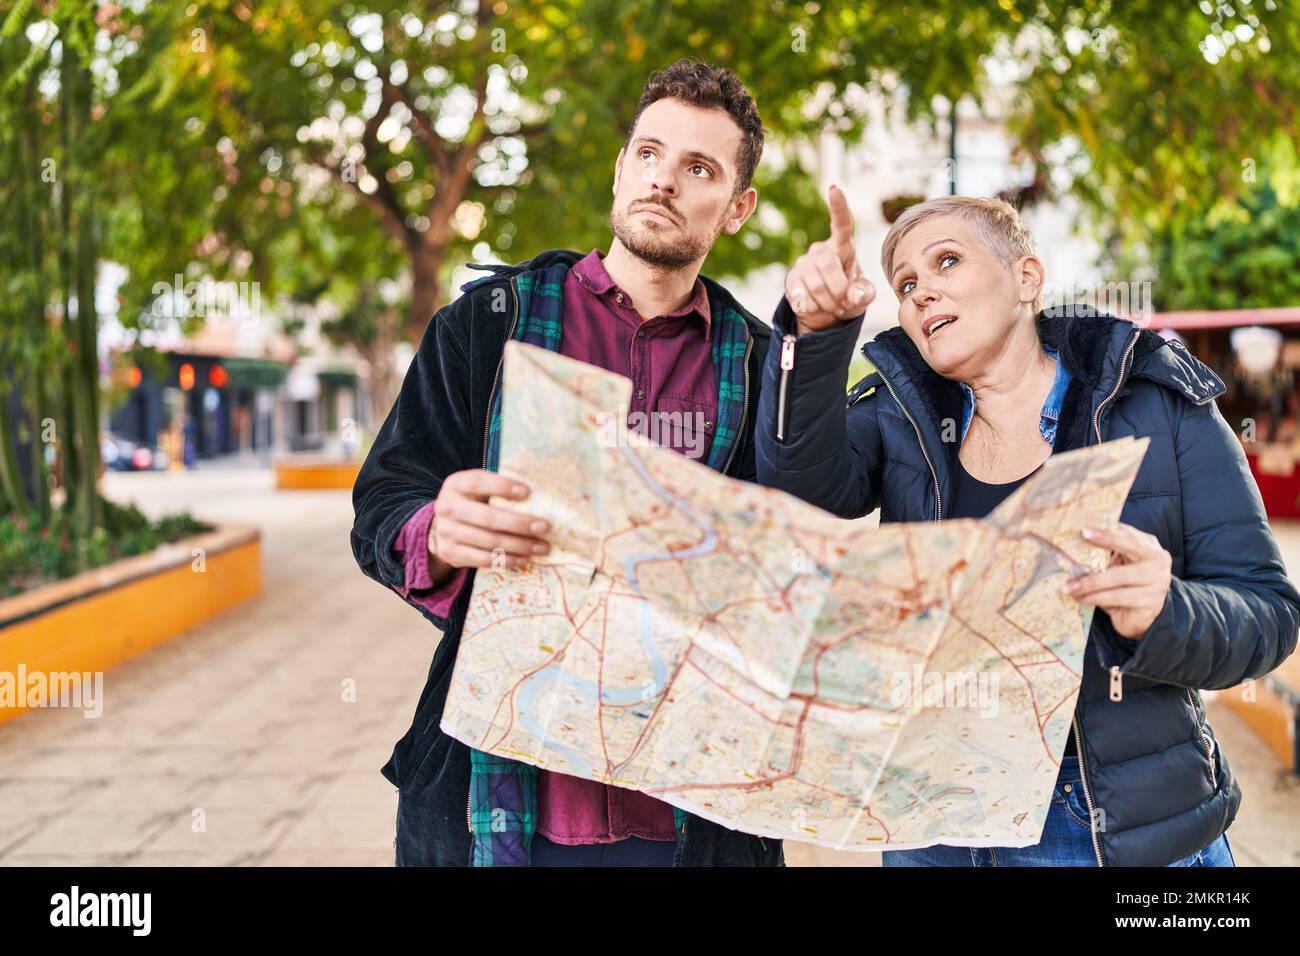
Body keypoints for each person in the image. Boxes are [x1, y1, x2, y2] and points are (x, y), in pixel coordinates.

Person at [755, 191, 1300, 866]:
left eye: (946, 261)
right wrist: (816, 337)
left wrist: (1165, 612)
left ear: (1026, 278)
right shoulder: (895, 415)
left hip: (1115, 827)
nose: (921, 293)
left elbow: (1268, 615)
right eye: (905, 284)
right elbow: (797, 487)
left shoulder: (1158, 404)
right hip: (936, 816)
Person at [351, 58, 782, 866]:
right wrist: (437, 529)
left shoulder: (760, 365)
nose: (664, 182)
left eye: (699, 168)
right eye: (649, 155)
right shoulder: (487, 324)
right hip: (508, 798)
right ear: (620, 170)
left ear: (737, 208)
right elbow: (385, 496)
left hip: (692, 809)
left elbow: (795, 556)